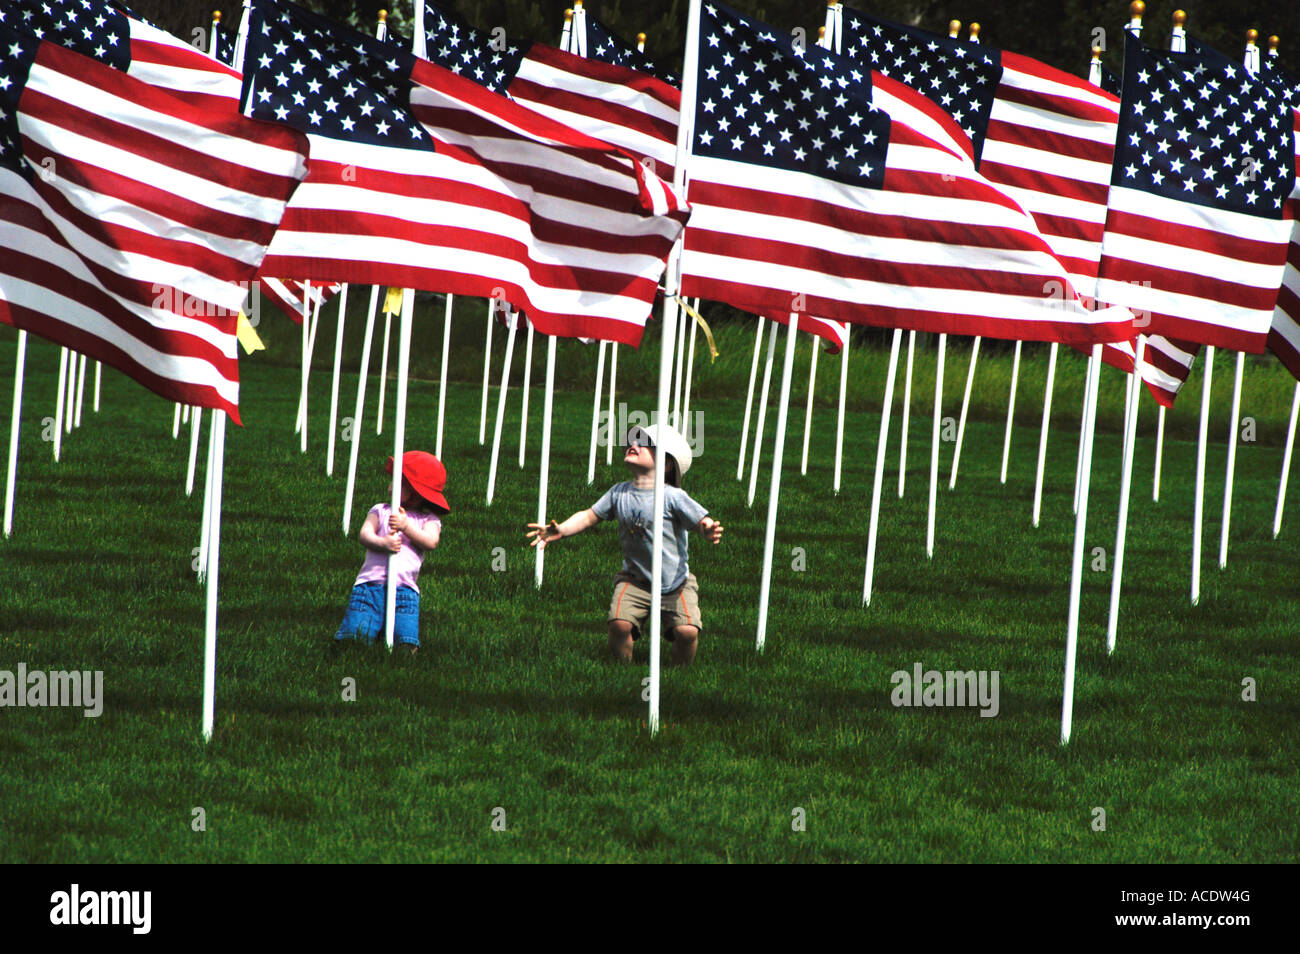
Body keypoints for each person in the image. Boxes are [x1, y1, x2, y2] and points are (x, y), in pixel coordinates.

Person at [526, 424, 723, 666]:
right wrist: (562, 530)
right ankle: (622, 668)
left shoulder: (673, 496)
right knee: (619, 625)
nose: (634, 445)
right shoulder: (618, 493)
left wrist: (708, 528)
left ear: (667, 463)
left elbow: (699, 520)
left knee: (687, 633)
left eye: (645, 444)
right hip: (634, 580)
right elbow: (589, 516)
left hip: (675, 583)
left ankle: (680, 671)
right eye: (633, 441)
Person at [334, 451, 449, 656]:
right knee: (356, 635)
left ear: (415, 491)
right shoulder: (380, 510)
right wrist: (382, 543)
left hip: (405, 591)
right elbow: (364, 534)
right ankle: (357, 643)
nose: (390, 485)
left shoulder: (428, 520)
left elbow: (431, 542)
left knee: (405, 639)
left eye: (398, 482)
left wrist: (406, 527)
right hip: (370, 585)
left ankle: (403, 650)